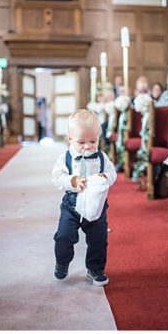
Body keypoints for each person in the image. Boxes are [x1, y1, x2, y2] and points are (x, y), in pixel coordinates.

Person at [51, 109, 116, 286]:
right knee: (64, 236)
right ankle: (62, 261)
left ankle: (95, 269)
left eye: (93, 141)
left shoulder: (102, 157)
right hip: (71, 204)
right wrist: (72, 180)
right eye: (81, 142)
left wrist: (105, 177)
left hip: (96, 206)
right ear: (69, 138)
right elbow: (56, 177)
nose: (88, 146)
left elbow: (112, 173)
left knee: (98, 239)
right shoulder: (65, 158)